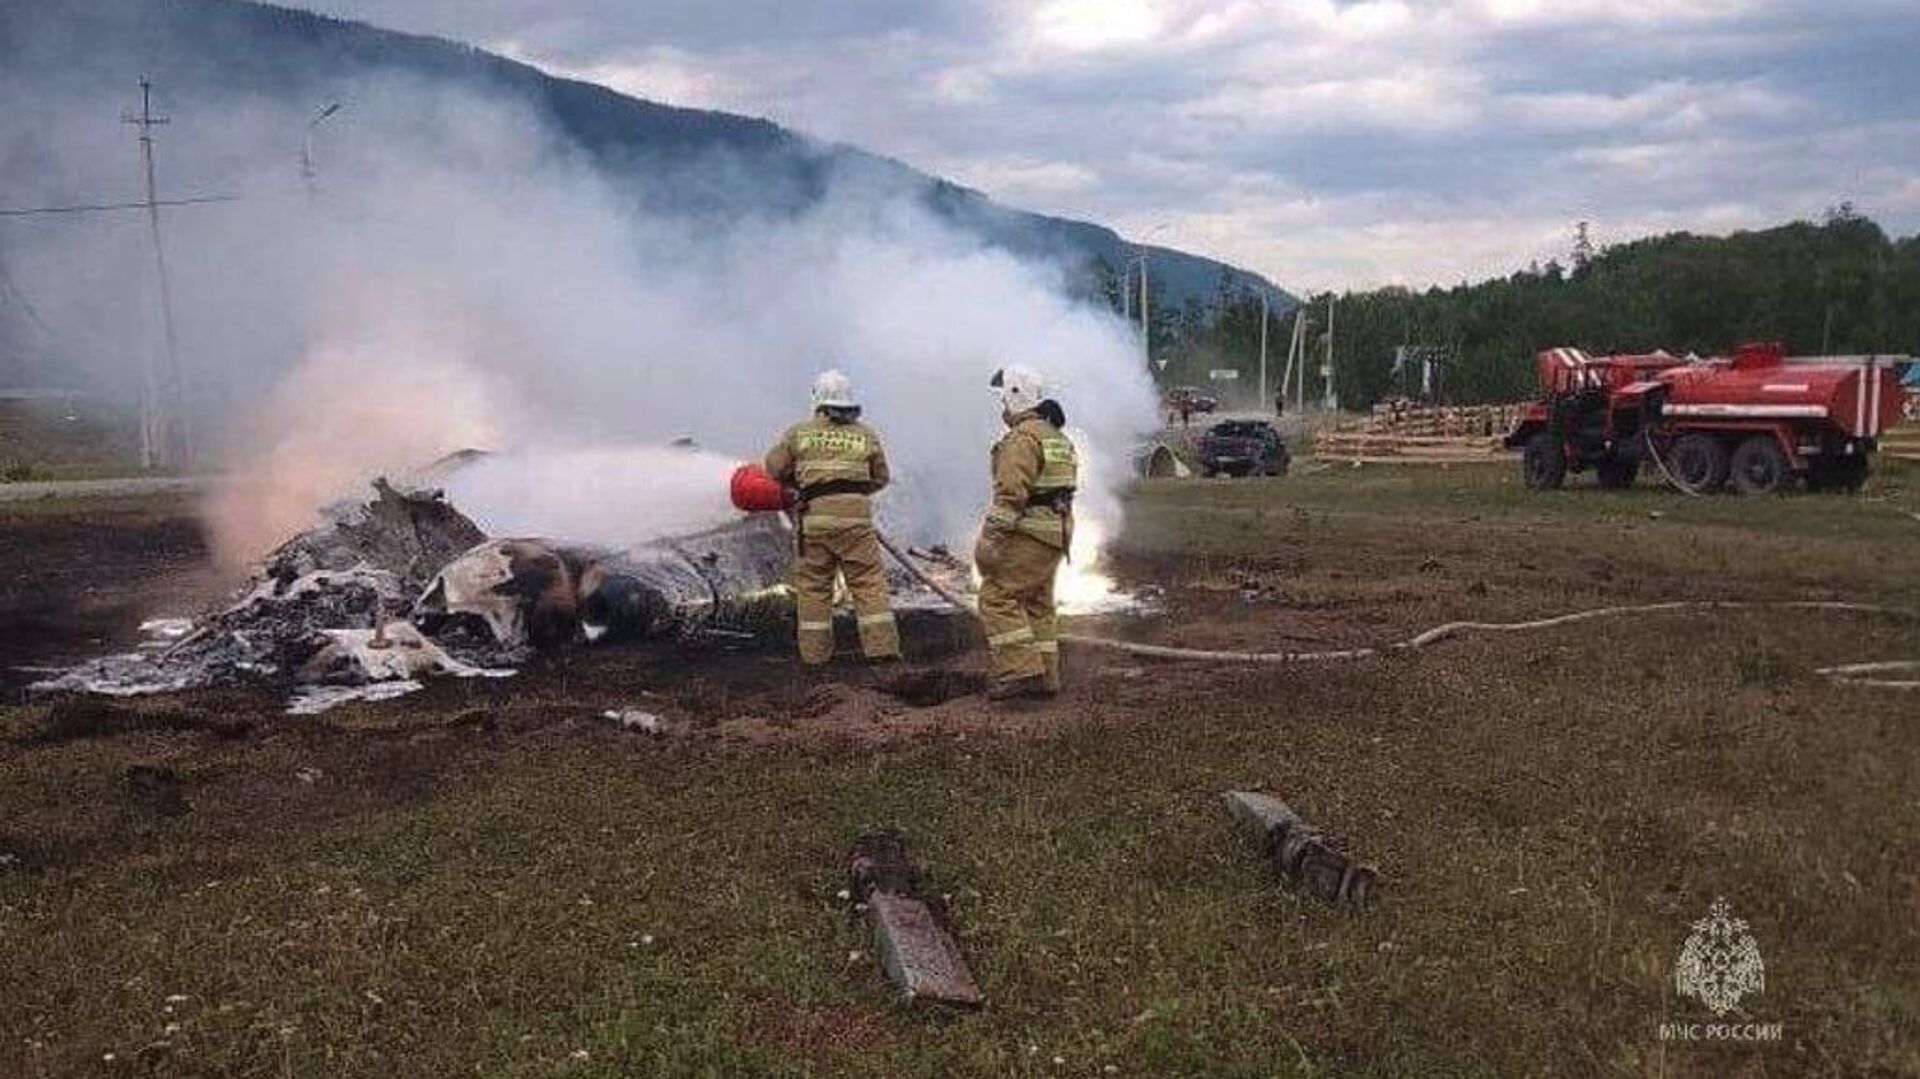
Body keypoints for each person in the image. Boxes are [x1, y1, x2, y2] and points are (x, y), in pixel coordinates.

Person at [763, 370, 900, 666]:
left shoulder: (799, 433)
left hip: (815, 520)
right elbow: (881, 477)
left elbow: (773, 468)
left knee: (814, 587)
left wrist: (801, 482)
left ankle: (815, 657)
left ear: (817, 402)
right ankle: (882, 651)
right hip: (857, 523)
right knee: (867, 583)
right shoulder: (866, 435)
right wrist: (853, 494)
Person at [975, 365, 1077, 701]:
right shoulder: (1057, 437)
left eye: (1003, 400)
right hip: (1056, 533)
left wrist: (991, 540)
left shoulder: (1022, 439)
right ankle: (1046, 676)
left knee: (997, 597)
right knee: (1037, 604)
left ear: (1016, 397)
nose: (1002, 408)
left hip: (1030, 532)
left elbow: (1010, 495)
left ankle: (1020, 672)